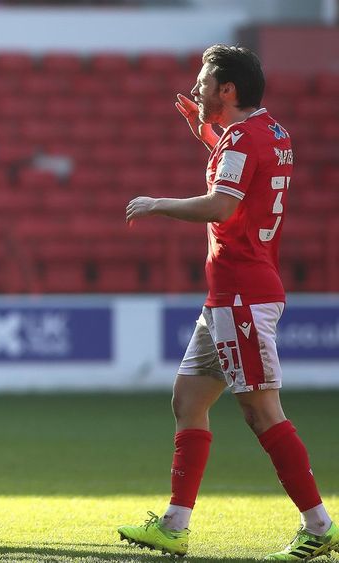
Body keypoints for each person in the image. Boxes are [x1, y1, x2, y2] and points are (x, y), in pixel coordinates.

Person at [119, 44, 336, 560]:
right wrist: (209, 136)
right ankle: (175, 524)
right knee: (188, 400)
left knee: (262, 411)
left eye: (204, 80)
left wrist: (156, 204)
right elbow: (248, 173)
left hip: (243, 293)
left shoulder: (242, 139)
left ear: (227, 90)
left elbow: (221, 203)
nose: (197, 88)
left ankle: (320, 525)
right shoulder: (273, 132)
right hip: (229, 294)